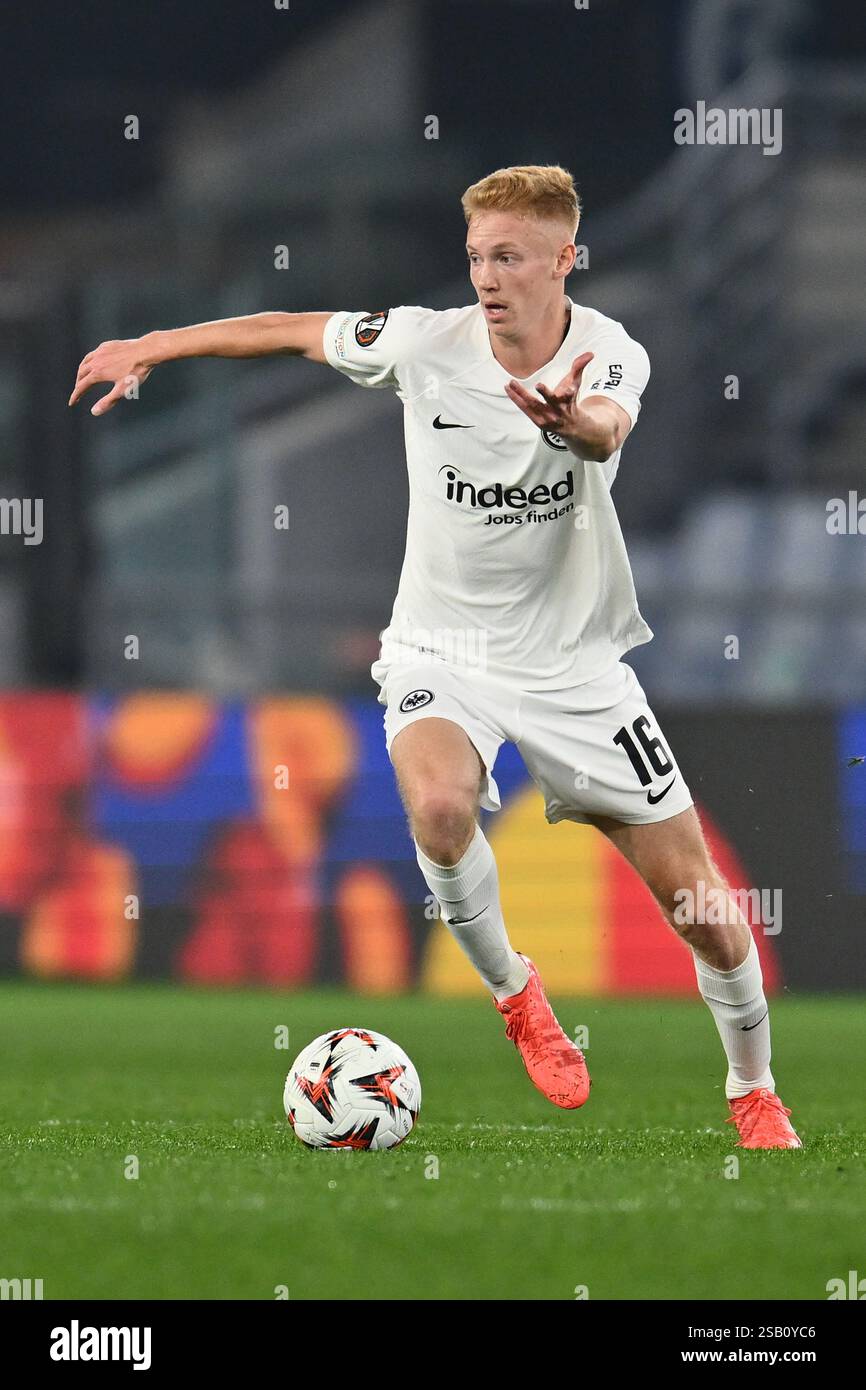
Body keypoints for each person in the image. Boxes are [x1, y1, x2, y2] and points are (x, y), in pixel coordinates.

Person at [70, 163, 800, 1149]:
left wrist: (568, 423)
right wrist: (153, 344)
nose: (487, 277)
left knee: (703, 908)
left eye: (507, 257)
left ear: (563, 260)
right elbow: (289, 326)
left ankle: (751, 1089)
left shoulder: (607, 352)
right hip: (438, 647)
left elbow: (605, 427)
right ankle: (516, 995)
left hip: (573, 665)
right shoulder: (425, 342)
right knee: (442, 808)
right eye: (474, 257)